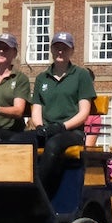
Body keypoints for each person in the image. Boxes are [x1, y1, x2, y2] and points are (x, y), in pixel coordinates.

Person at [29, 32, 96, 196]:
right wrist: (40, 127)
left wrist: (61, 127)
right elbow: (36, 108)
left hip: (72, 132)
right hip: (46, 130)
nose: (60, 51)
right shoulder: (42, 78)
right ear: (51, 49)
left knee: (54, 145)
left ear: (72, 51)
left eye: (64, 48)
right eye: (57, 47)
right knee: (16, 141)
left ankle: (38, 195)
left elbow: (84, 112)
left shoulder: (81, 75)